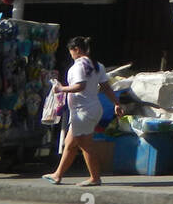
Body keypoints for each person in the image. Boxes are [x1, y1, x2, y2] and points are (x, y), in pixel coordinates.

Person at [43, 37, 119, 187]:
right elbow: (106, 87)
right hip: (92, 109)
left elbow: (80, 86)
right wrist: (116, 103)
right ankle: (57, 175)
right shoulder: (97, 65)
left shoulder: (78, 67)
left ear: (77, 49)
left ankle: (95, 177)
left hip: (82, 111)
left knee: (85, 145)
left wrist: (61, 89)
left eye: (71, 51)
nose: (70, 54)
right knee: (70, 144)